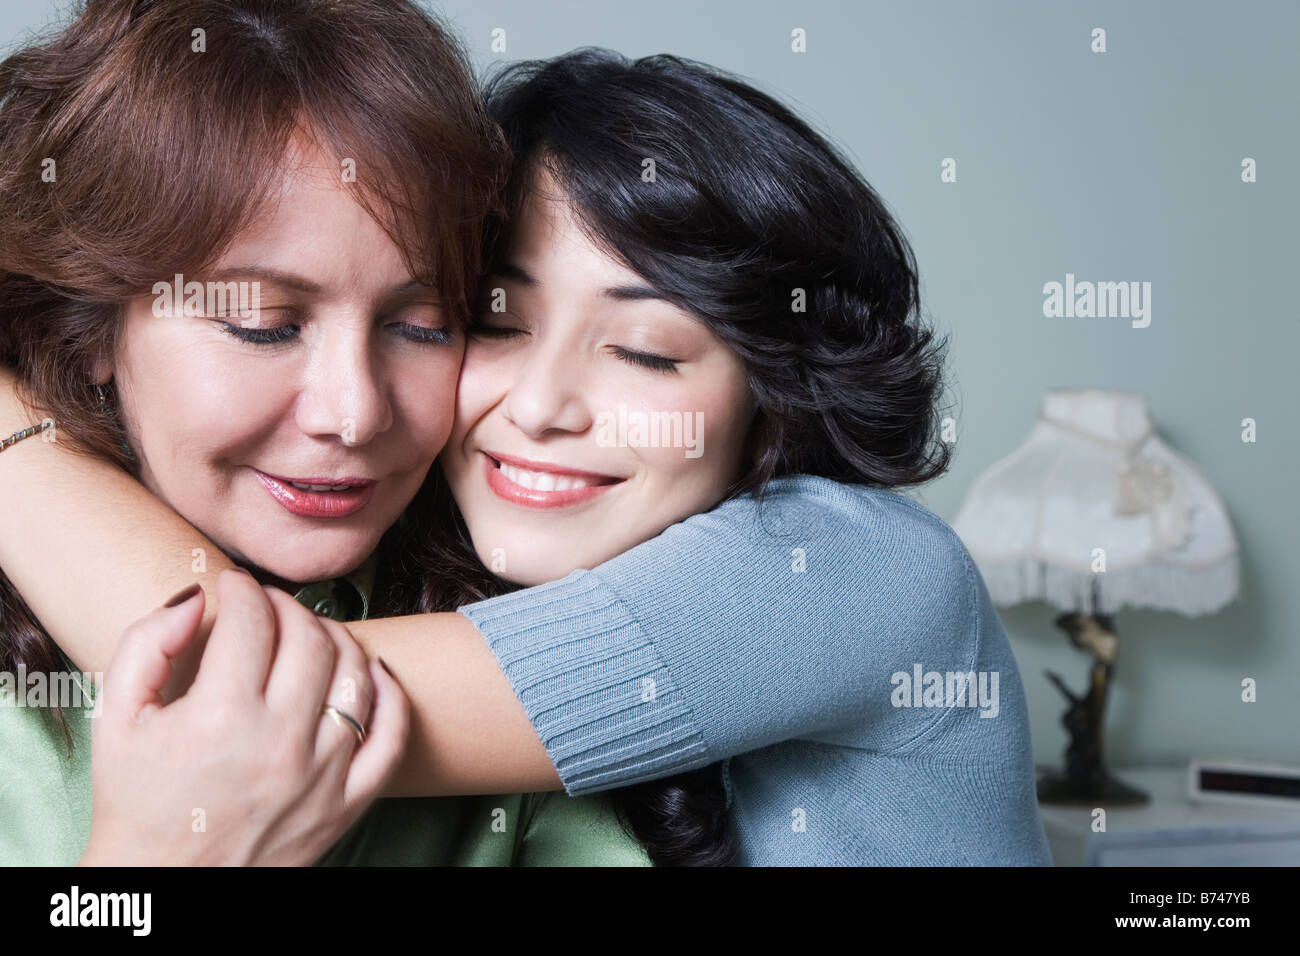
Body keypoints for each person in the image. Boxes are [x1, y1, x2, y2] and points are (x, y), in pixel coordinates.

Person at [0, 45, 1053, 865]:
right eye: (492, 322)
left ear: (767, 396)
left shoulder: (847, 568)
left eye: (643, 350)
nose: (541, 406)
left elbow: (242, 690)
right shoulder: (447, 575)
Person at [0, 0, 648, 867]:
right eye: (265, 324)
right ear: (92, 333)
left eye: (425, 325)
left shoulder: (524, 646)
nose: (354, 414)